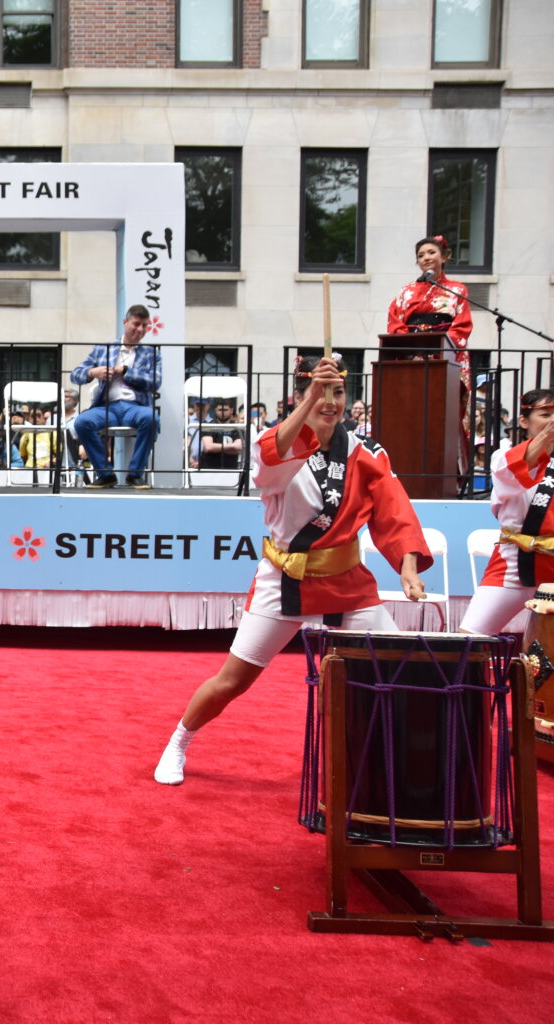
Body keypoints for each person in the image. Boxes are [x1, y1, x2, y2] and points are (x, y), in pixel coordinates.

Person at [153, 355, 429, 786]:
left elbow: (395, 513)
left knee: (396, 667)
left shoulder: (367, 453)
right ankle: (178, 742)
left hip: (346, 583)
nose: (330, 401)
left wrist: (408, 567)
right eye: (319, 392)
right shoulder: (277, 444)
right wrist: (307, 402)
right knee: (233, 680)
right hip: (285, 581)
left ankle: (392, 766)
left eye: (338, 392)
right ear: (299, 399)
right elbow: (273, 455)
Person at [458, 389, 554, 636]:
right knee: (469, 638)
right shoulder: (503, 455)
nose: (552, 421)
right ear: (524, 421)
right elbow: (519, 472)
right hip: (514, 561)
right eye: (545, 414)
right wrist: (547, 436)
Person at [70, 305, 161, 490]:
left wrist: (127, 371)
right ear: (125, 322)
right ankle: (104, 474)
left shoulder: (152, 353)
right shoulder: (103, 349)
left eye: (145, 326)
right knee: (81, 422)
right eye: (136, 324)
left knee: (151, 419)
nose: (140, 329)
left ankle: (135, 474)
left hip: (134, 406)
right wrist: (93, 372)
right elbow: (75, 375)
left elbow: (155, 382)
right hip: (106, 407)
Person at [386, 234, 474, 386]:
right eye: (421, 255)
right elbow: (395, 321)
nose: (426, 258)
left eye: (431, 252)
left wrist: (442, 344)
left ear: (444, 257)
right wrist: (410, 344)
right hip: (412, 351)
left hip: (443, 351)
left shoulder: (457, 289)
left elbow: (462, 325)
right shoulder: (406, 291)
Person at [197, 399, 245, 471]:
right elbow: (208, 447)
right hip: (208, 470)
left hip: (231, 471)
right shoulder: (207, 426)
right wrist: (232, 446)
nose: (223, 413)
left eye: (225, 410)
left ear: (231, 410)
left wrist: (216, 448)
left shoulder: (237, 428)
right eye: (220, 410)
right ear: (216, 410)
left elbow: (239, 448)